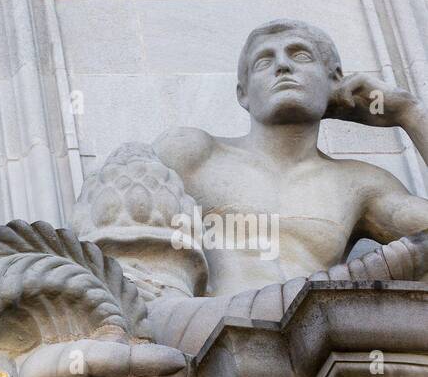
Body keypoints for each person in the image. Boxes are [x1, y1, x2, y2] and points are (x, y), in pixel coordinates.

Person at [153, 19, 428, 297]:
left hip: (317, 335)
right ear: (243, 94)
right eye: (263, 61)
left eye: (300, 55)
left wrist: (410, 114)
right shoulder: (195, 153)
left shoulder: (361, 183)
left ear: (334, 80)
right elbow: (128, 243)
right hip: (213, 331)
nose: (282, 66)